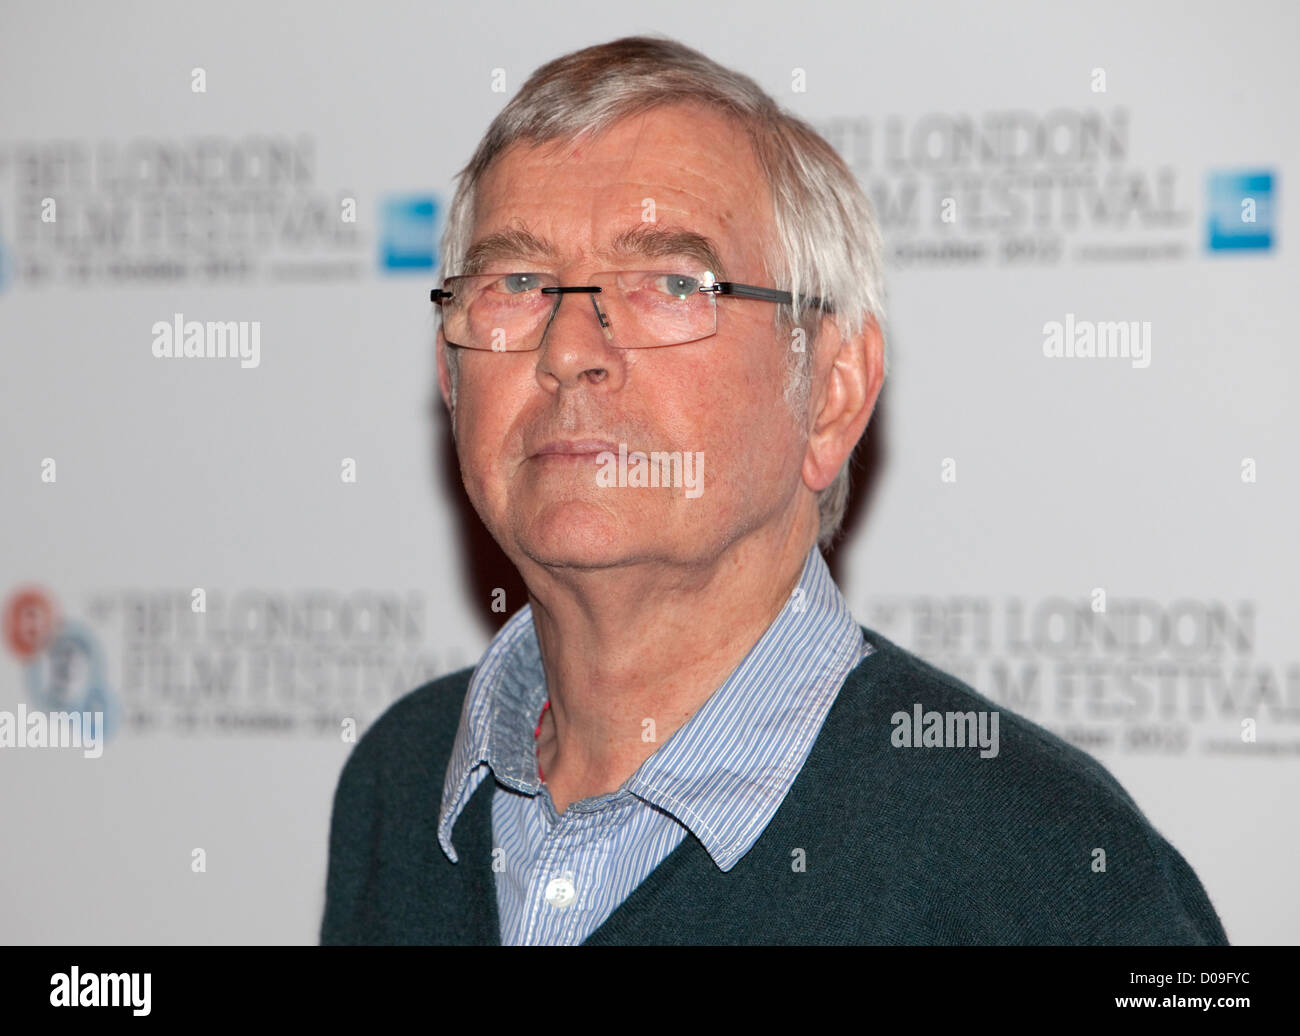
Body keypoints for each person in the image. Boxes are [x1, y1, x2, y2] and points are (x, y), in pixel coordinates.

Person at [320, 35, 1228, 946]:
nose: (568, 351)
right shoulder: (399, 780)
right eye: (518, 282)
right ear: (450, 374)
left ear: (830, 392)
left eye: (671, 284)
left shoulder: (1051, 872)